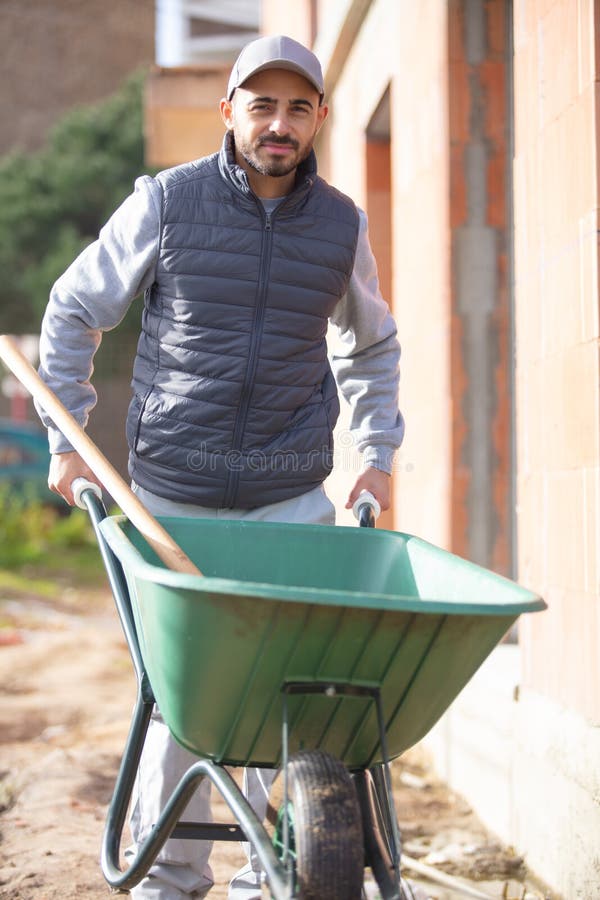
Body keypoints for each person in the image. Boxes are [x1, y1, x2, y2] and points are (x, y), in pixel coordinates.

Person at [37, 34, 404, 900]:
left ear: (318, 119)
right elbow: (72, 311)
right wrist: (65, 442)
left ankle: (273, 869)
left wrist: (377, 459)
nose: (279, 124)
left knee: (303, 694)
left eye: (298, 108)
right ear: (229, 111)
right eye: (262, 105)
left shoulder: (341, 225)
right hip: (175, 499)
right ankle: (170, 876)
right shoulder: (166, 203)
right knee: (186, 700)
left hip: (290, 498)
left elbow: (371, 349)